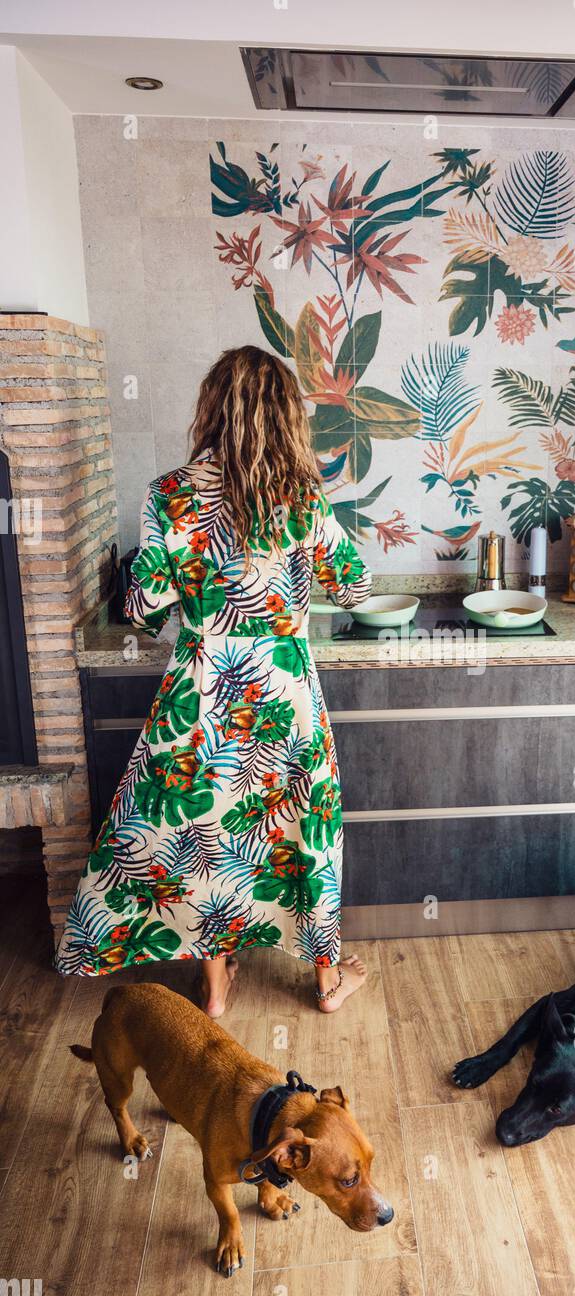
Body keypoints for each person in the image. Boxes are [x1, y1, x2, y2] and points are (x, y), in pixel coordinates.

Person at [55, 346, 372, 1017]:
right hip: (283, 692)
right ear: (286, 416)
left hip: (200, 689)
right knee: (300, 830)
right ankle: (325, 983)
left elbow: (140, 608)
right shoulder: (304, 496)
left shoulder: (169, 494)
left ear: (211, 408)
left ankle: (216, 983)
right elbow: (356, 587)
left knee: (204, 832)